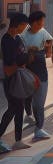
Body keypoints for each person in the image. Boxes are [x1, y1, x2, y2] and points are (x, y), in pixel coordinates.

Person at [0, 13, 31, 152]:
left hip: (18, 76)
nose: (25, 27)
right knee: (14, 108)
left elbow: (21, 55)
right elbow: (10, 61)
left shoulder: (18, 38)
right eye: (24, 25)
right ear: (17, 24)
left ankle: (18, 140)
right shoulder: (6, 40)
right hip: (10, 78)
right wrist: (22, 60)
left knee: (19, 108)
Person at [22, 11, 52, 140]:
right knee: (31, 96)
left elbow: (50, 39)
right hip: (28, 68)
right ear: (33, 23)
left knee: (39, 100)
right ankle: (35, 123)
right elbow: (21, 54)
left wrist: (48, 49)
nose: (42, 25)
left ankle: (37, 126)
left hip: (41, 68)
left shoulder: (42, 31)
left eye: (42, 23)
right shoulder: (23, 35)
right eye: (39, 23)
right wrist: (30, 52)